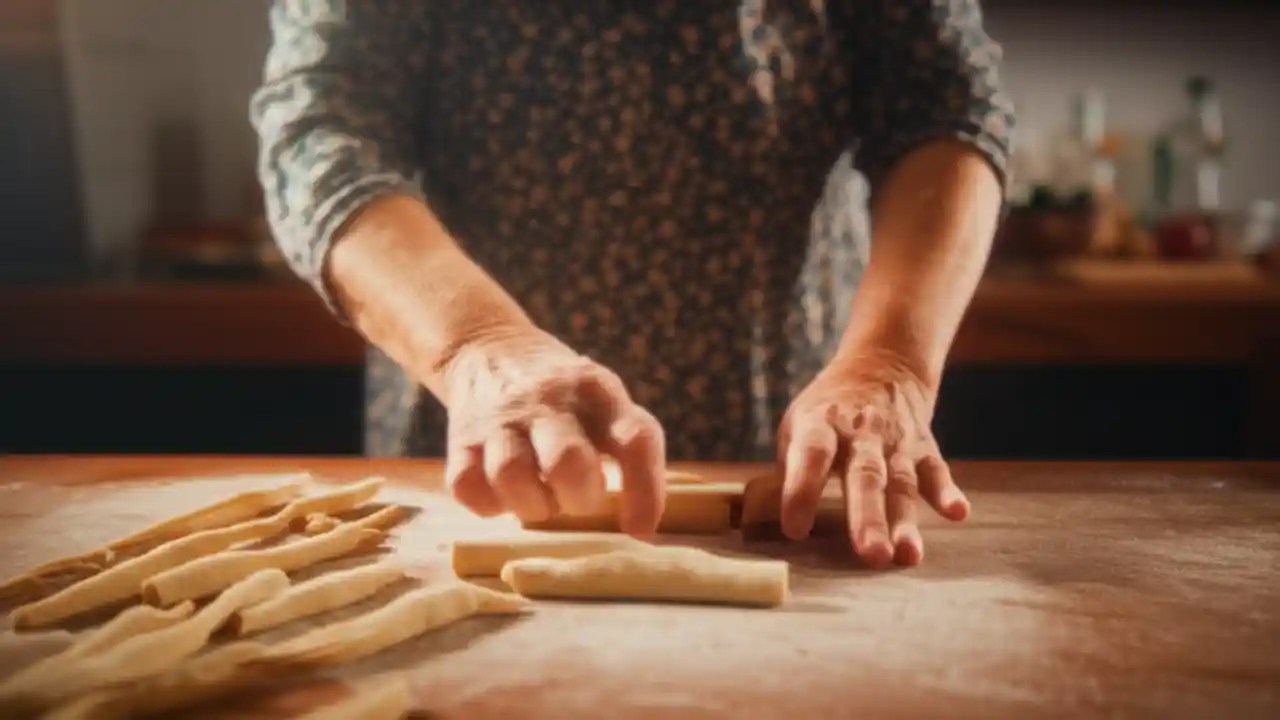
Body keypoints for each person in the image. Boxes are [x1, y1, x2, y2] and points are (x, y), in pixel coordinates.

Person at [251, 0, 1014, 567]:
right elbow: (321, 135)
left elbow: (947, 105)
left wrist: (890, 362)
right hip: (492, 451)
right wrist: (480, 344)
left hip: (794, 448)